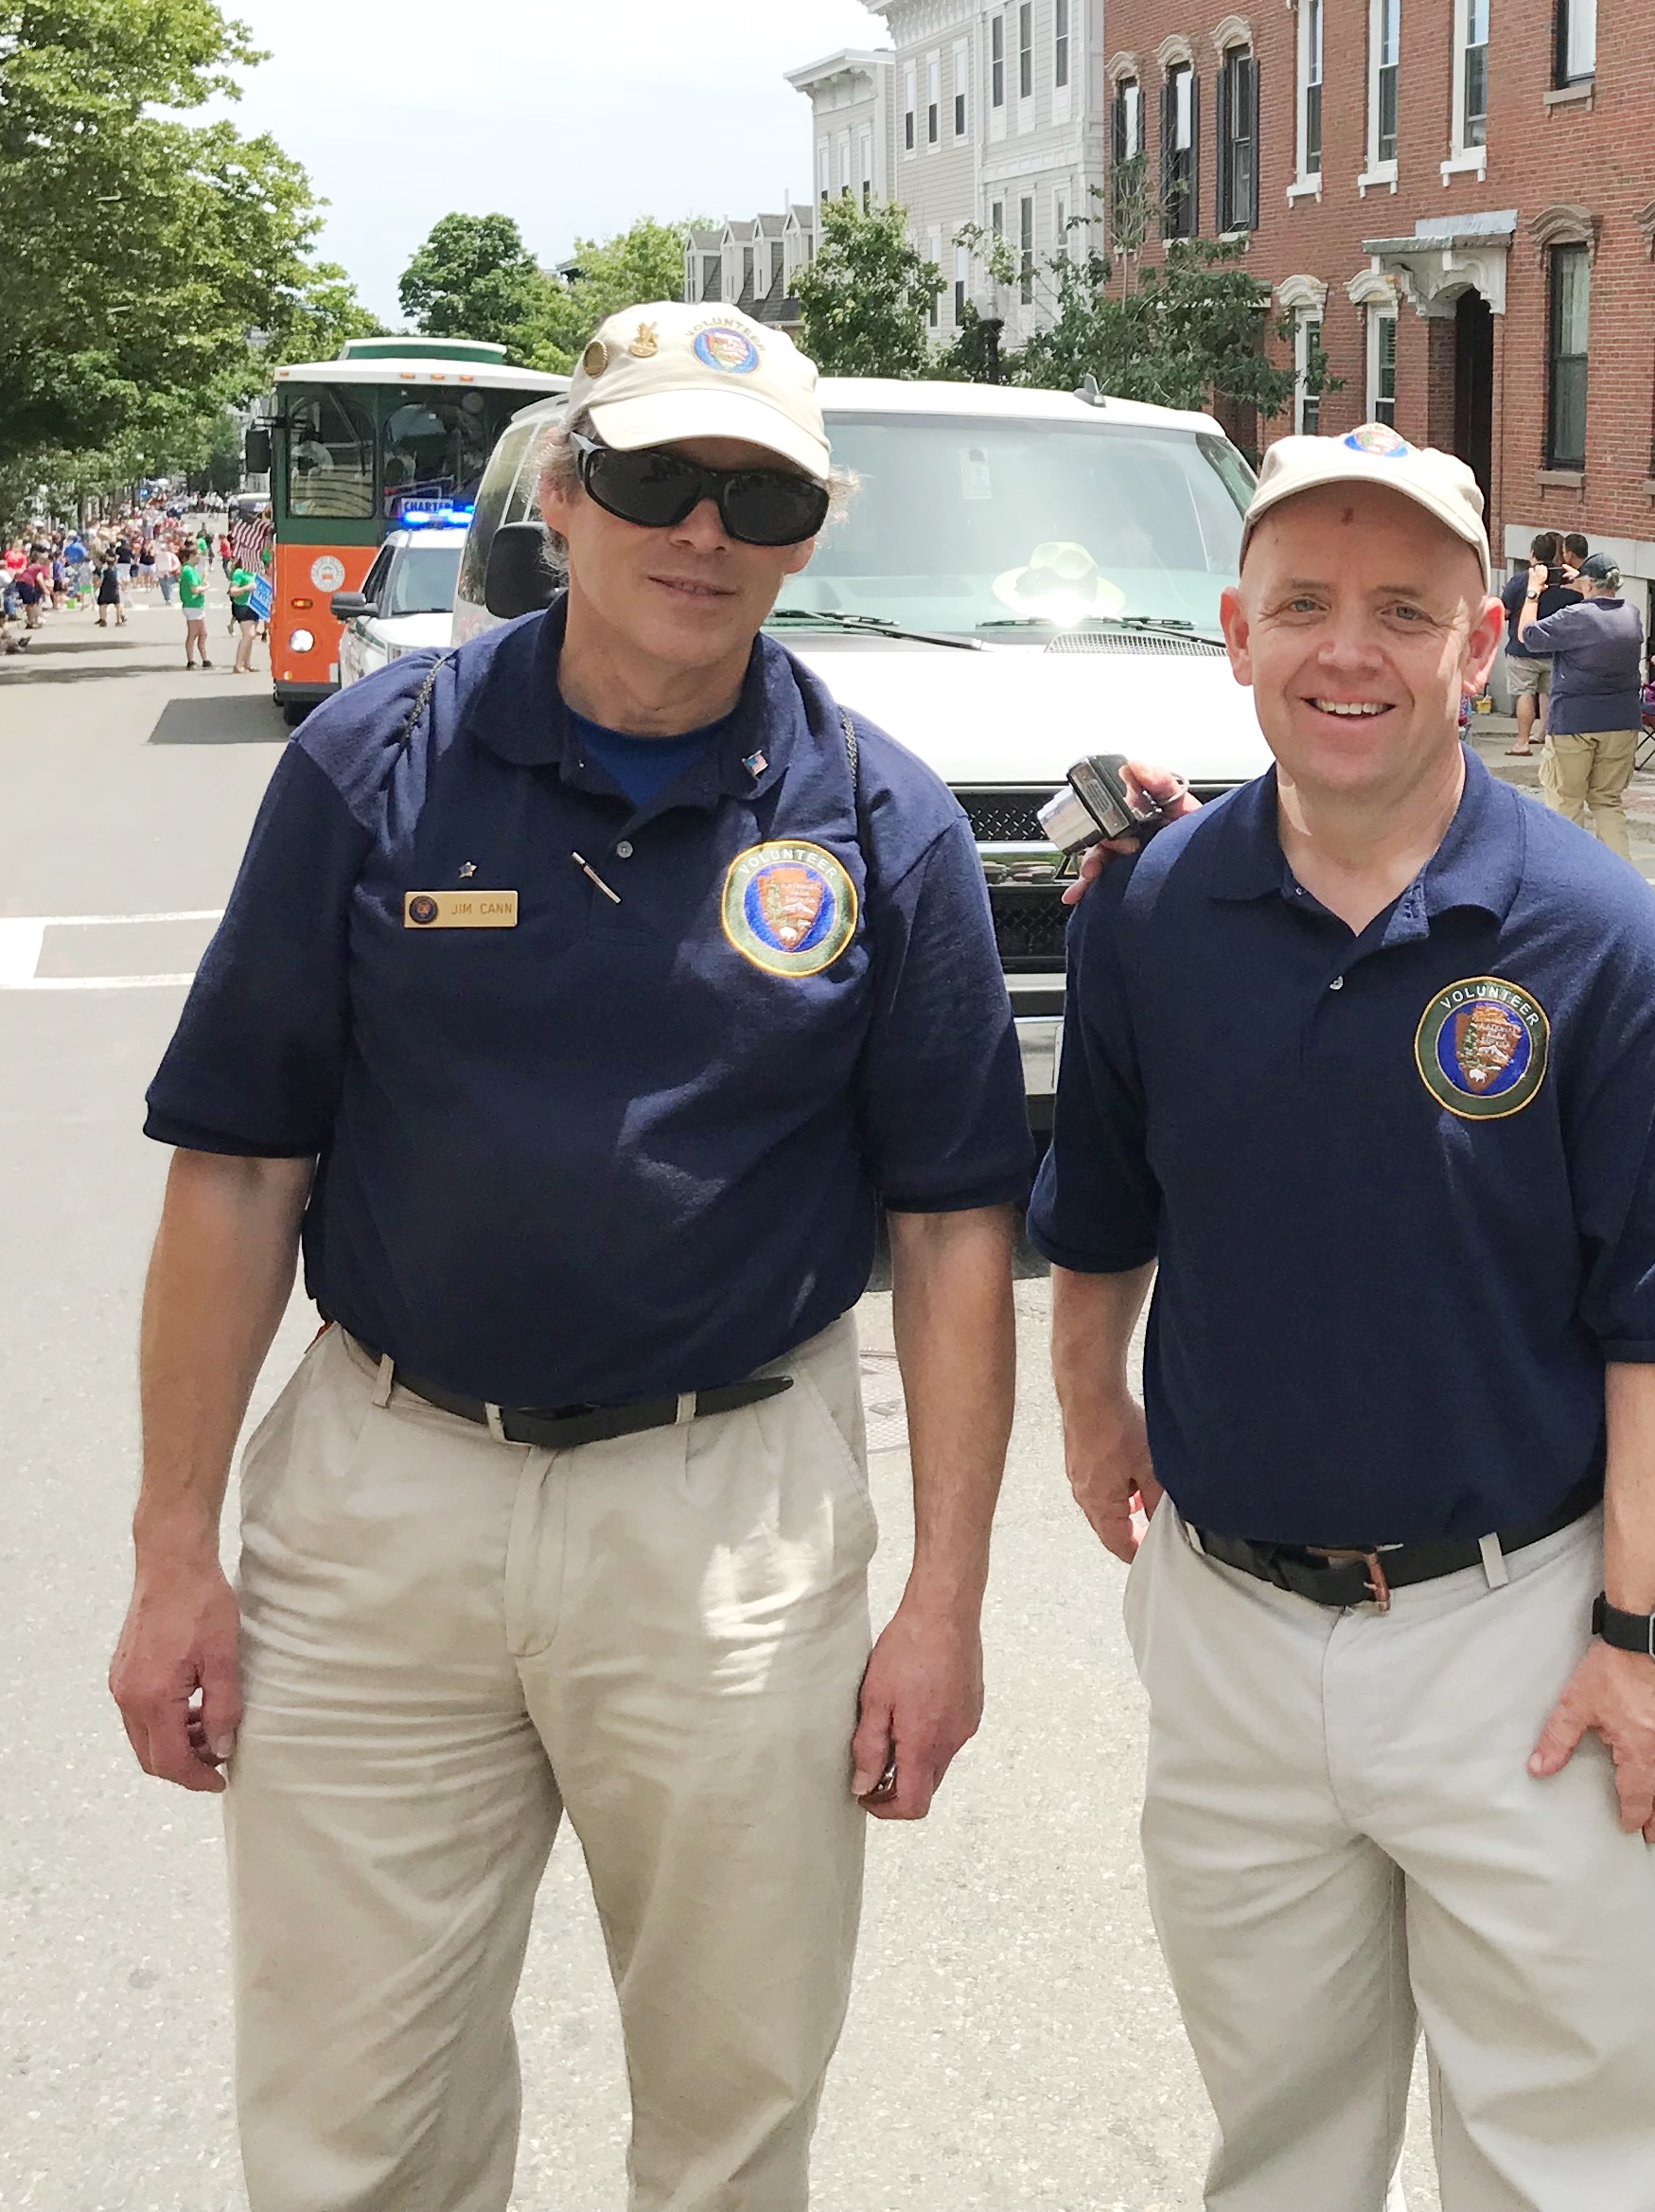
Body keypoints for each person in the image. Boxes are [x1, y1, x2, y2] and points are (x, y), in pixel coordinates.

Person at [108, 302, 1031, 2212]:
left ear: (808, 533)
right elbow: (240, 1171)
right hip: (386, 1498)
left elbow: (954, 1228)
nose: (701, 529)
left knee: (733, 2107)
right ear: (564, 488)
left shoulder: (885, 819)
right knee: (354, 2118)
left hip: (729, 1509)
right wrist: (173, 1548)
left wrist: (945, 1597)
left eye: (760, 497)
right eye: (656, 475)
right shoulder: (374, 761)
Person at [1034, 424, 1655, 2212]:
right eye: (1302, 605)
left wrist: (1646, 1635)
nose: (1345, 651)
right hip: (1230, 1624)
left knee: (1568, 2162)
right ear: (1236, 633)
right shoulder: (1153, 911)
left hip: (1517, 1632)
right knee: (1280, 2139)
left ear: (1481, 643)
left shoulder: (1599, 938)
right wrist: (1092, 1407)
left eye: (1403, 611)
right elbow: (1104, 1212)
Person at [1523, 553, 1647, 858]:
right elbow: (1599, 610)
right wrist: (1581, 582)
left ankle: (1570, 874)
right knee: (1607, 801)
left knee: (1566, 800)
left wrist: (1533, 591)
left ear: (1588, 585)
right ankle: (1621, 875)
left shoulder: (1575, 616)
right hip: (1622, 721)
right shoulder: (1631, 615)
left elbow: (1528, 636)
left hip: (1574, 722)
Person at [1497, 529, 1566, 754]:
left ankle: (1522, 742)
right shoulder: (1563, 581)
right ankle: (1550, 740)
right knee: (1553, 695)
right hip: (1554, 649)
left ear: (1532, 554)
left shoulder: (1521, 580)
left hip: (1523, 649)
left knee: (1524, 693)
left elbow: (1504, 612)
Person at [224, 554, 264, 673]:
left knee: (251, 636)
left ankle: (247, 664)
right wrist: (246, 588)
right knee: (248, 635)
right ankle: (238, 665)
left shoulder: (255, 573)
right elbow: (232, 591)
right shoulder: (239, 572)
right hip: (242, 605)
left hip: (253, 605)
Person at [175, 542, 211, 667]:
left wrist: (204, 579)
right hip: (192, 605)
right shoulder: (188, 570)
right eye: (197, 555)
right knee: (193, 634)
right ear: (191, 556)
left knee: (203, 633)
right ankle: (190, 661)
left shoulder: (190, 570)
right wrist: (206, 587)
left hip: (197, 605)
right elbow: (194, 589)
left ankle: (205, 659)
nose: (199, 557)